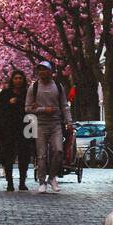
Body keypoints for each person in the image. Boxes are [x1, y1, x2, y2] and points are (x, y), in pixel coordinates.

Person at [26, 59, 72, 194]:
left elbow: (64, 105)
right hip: (40, 124)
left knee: (58, 151)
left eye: (45, 69)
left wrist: (69, 121)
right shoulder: (33, 88)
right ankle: (41, 181)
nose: (42, 72)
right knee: (41, 155)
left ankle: (52, 177)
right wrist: (43, 109)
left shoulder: (58, 86)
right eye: (40, 70)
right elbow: (27, 108)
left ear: (51, 72)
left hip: (56, 123)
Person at [0, 70, 31, 191]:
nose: (18, 81)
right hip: (8, 128)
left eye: (20, 78)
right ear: (12, 80)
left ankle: (22, 182)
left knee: (24, 155)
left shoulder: (28, 93)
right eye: (16, 78)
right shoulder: (5, 93)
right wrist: (9, 103)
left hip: (25, 127)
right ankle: (9, 182)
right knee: (8, 155)